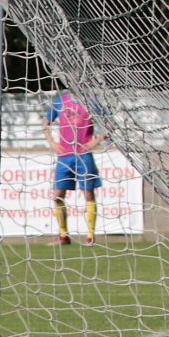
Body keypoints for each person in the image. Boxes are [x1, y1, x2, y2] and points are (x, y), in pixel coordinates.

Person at [44, 90, 102, 246]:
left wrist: (97, 140)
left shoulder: (92, 101)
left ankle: (90, 235)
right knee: (58, 195)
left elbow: (109, 123)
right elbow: (45, 123)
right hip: (64, 155)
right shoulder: (60, 102)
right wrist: (52, 142)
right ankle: (63, 235)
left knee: (88, 193)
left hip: (84, 155)